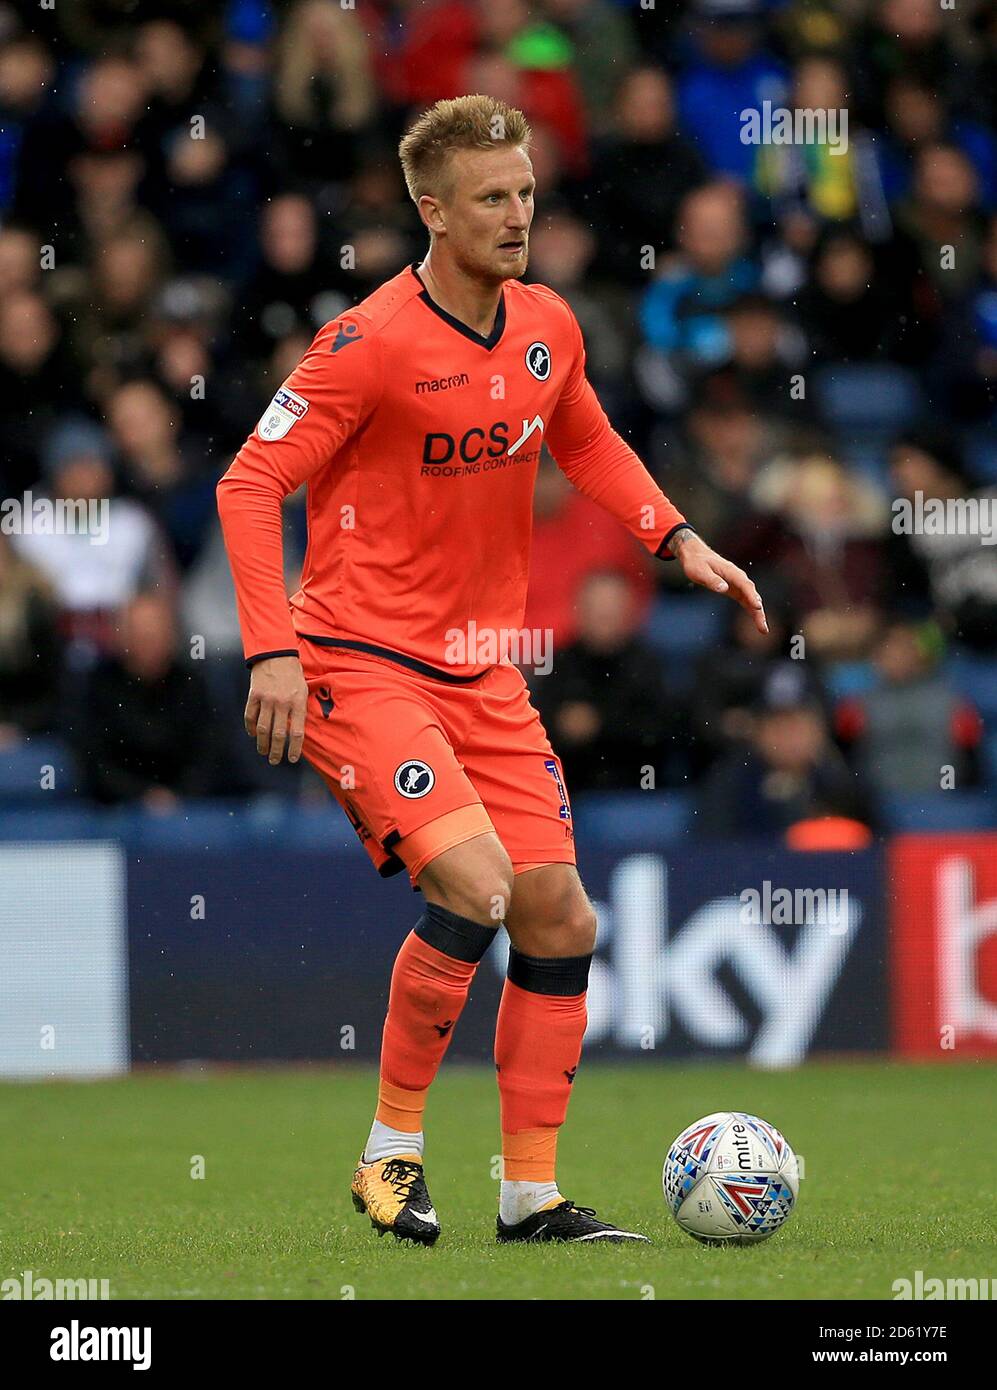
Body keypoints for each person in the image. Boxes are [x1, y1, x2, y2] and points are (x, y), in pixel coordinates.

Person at [217, 94, 765, 1247]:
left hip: (483, 673)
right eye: (491, 199)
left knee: (560, 915)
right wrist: (269, 645)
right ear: (431, 210)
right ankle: (389, 1158)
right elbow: (247, 484)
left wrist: (675, 536)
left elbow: (586, 437)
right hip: (357, 662)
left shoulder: (546, 323)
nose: (518, 215)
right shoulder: (364, 344)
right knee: (474, 886)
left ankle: (529, 1197)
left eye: (524, 192)